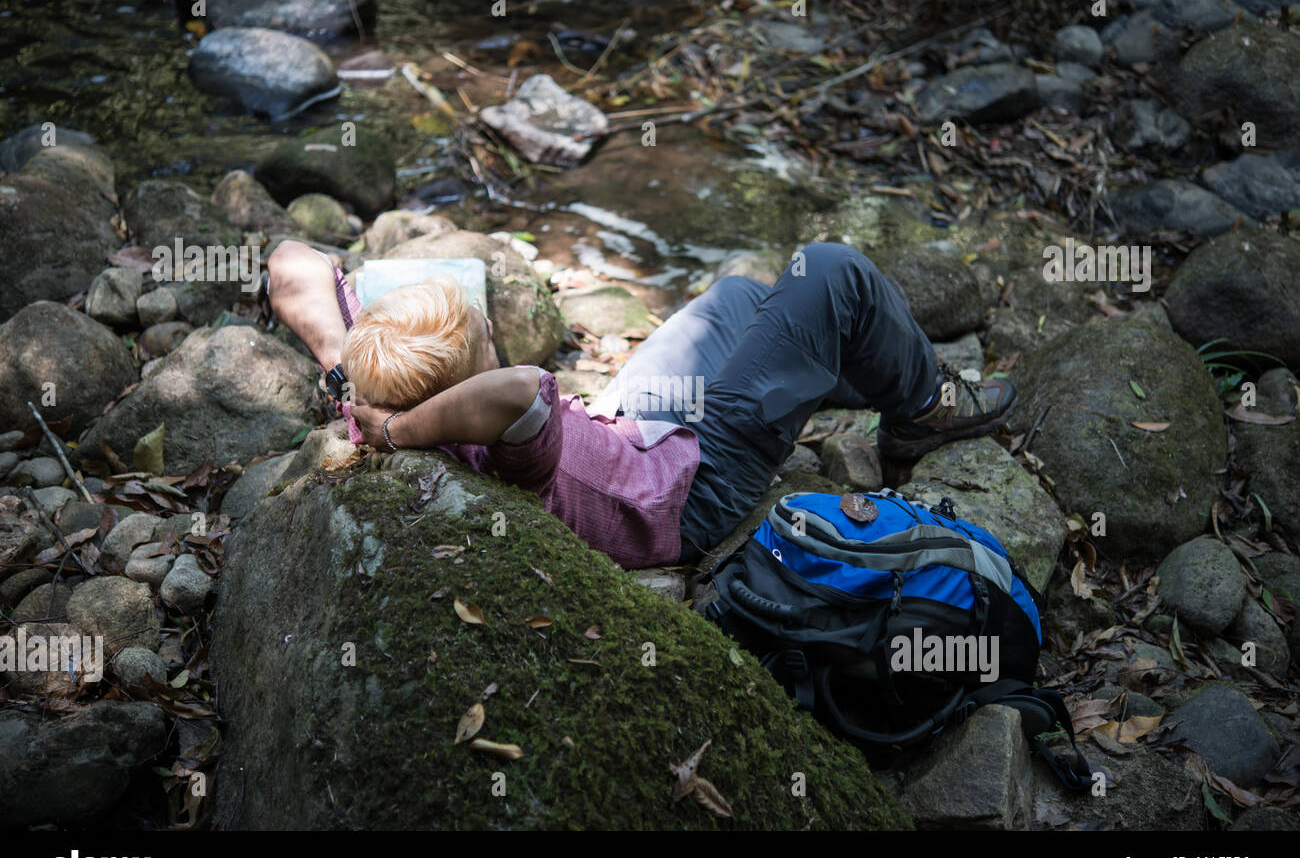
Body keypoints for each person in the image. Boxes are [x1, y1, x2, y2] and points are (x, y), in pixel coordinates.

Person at [266, 239, 1016, 570]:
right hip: (691, 485)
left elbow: (290, 261)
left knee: (736, 299)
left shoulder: (370, 388)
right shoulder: (504, 442)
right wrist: (395, 431)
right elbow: (519, 391)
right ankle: (923, 406)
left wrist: (344, 375)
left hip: (627, 424)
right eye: (488, 333)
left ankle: (842, 358)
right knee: (829, 271)